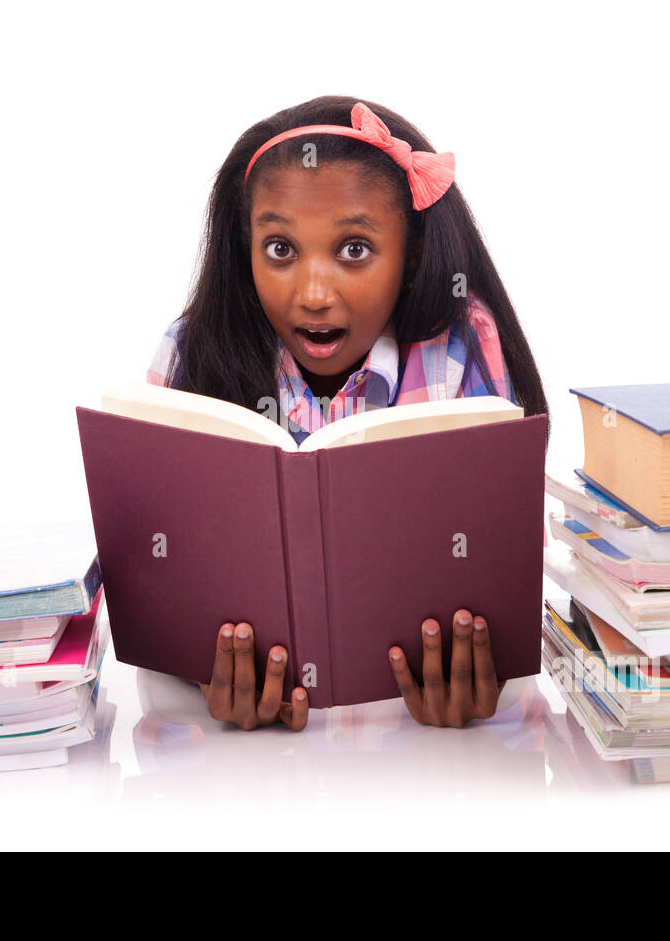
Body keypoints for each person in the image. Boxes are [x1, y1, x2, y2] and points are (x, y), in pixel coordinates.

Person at [146, 96, 549, 731]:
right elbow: (159, 576)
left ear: (412, 254)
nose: (312, 293)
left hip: (419, 749)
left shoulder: (461, 350)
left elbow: (498, 575)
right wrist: (206, 678)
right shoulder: (190, 354)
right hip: (240, 775)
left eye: (354, 249)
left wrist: (479, 680)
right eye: (280, 248)